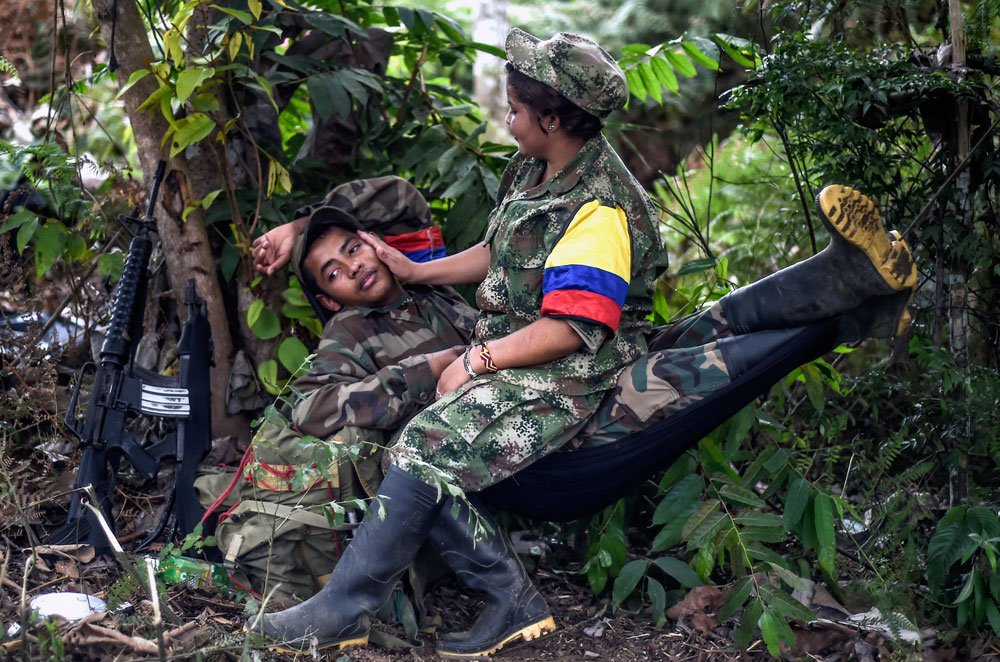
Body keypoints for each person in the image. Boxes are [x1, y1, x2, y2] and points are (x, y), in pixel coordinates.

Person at [249, 27, 918, 659]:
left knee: (422, 448)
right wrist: (419, 270)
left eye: (514, 110)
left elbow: (570, 329)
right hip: (543, 344)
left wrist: (473, 362)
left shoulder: (597, 211)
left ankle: (388, 607)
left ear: (552, 118)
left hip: (568, 371)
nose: (506, 121)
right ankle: (849, 280)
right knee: (713, 325)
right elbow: (501, 251)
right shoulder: (535, 170)